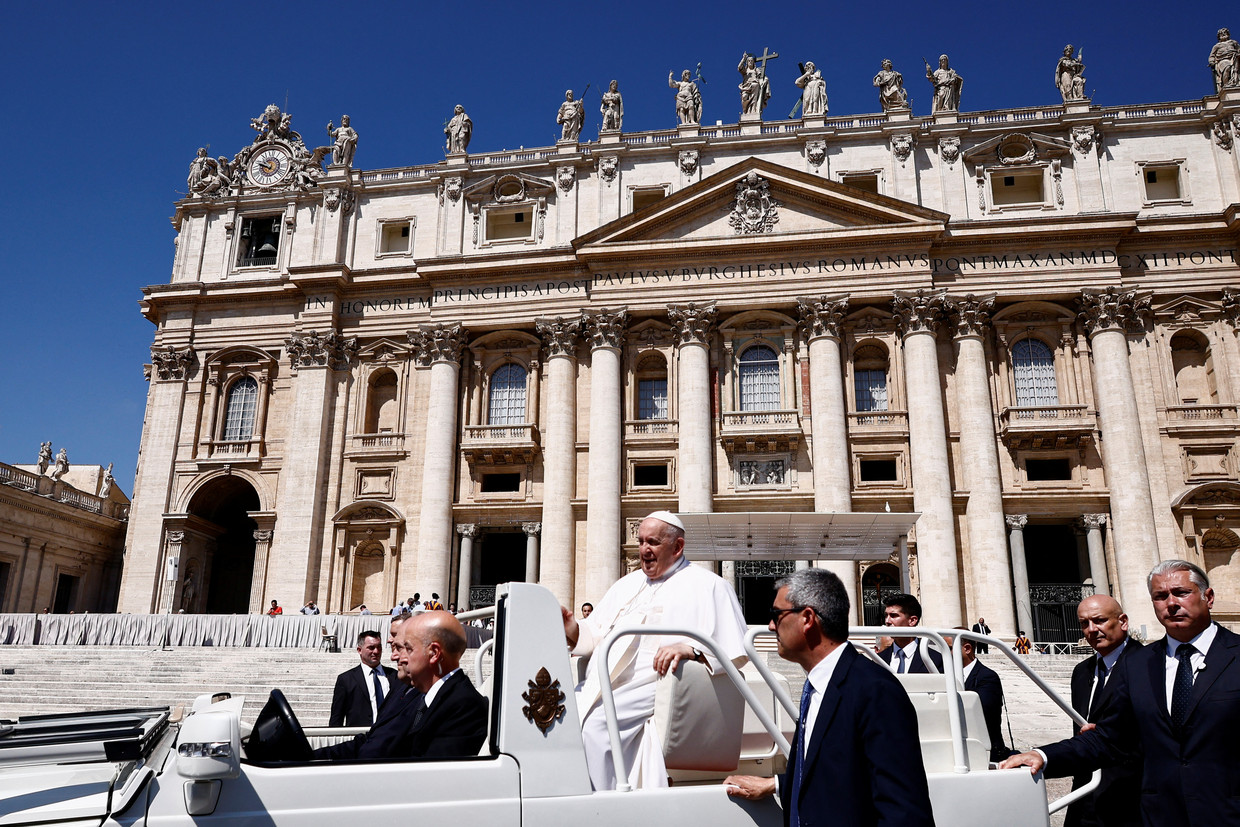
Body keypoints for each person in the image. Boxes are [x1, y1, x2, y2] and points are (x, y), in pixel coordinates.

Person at [1001, 560, 1240, 827]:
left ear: (1208, 597)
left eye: (1181, 592)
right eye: (1160, 596)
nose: (1171, 603)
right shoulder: (1138, 664)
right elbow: (1109, 737)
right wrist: (1043, 756)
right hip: (1158, 816)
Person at [724, 568, 934, 827]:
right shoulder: (817, 684)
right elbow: (836, 765)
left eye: (777, 615)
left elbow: (904, 812)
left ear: (808, 618)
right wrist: (777, 784)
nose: (769, 626)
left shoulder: (874, 690)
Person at [562, 510, 747, 790]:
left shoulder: (710, 585)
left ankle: (602, 805)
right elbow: (596, 634)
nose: (644, 550)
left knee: (598, 727)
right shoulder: (627, 583)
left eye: (653, 543)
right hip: (603, 679)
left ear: (678, 546)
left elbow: (734, 650)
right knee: (559, 713)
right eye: (641, 542)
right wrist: (573, 629)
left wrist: (692, 650)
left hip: (655, 680)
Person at [314, 611, 487, 761]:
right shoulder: (429, 696)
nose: (397, 657)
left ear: (433, 653)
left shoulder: (462, 706)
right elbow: (374, 740)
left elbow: (428, 778)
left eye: (408, 649)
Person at [1063, 595, 1143, 827]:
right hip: (1085, 796)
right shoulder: (1081, 672)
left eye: (1099, 620)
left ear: (1123, 621)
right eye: (1084, 623)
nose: (1091, 629)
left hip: (1131, 798)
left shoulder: (1148, 664)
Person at [950, 627, 1008, 763]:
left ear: (967, 648)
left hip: (984, 752)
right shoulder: (943, 674)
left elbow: (980, 711)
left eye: (949, 648)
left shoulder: (987, 677)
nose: (943, 653)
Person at [329, 631, 399, 727]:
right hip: (360, 738)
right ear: (359, 650)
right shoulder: (346, 680)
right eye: (371, 648)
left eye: (379, 647)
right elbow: (336, 718)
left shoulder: (394, 676)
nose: (376, 651)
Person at [876, 593, 943, 673]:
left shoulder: (936, 660)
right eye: (886, 615)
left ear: (912, 621)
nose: (887, 621)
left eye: (893, 615)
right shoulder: (878, 660)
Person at [737, 52, 771, 117]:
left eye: (751, 61)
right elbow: (739, 67)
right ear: (747, 62)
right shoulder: (745, 71)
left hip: (755, 86)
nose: (750, 62)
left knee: (754, 100)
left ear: (753, 62)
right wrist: (743, 59)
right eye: (748, 61)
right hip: (746, 87)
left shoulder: (756, 70)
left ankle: (753, 111)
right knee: (744, 97)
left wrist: (765, 80)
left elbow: (762, 76)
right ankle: (745, 111)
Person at [1209, 27, 1240, 93]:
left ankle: (1234, 84)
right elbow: (1212, 55)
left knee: (1235, 71)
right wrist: (1211, 61)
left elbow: (1239, 50)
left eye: (1224, 33)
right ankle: (1226, 85)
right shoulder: (1217, 46)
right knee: (1227, 68)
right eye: (1221, 34)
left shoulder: (1233, 42)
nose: (1223, 35)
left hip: (1234, 58)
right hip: (1222, 59)